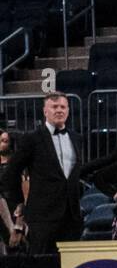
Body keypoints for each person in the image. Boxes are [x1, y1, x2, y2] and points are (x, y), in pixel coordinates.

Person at [2, 92, 84, 255]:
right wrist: (20, 202)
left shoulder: (76, 138)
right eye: (54, 107)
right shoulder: (32, 138)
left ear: (68, 110)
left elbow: (73, 174)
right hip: (42, 217)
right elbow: (11, 172)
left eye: (63, 107)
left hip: (71, 216)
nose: (59, 110)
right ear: (45, 111)